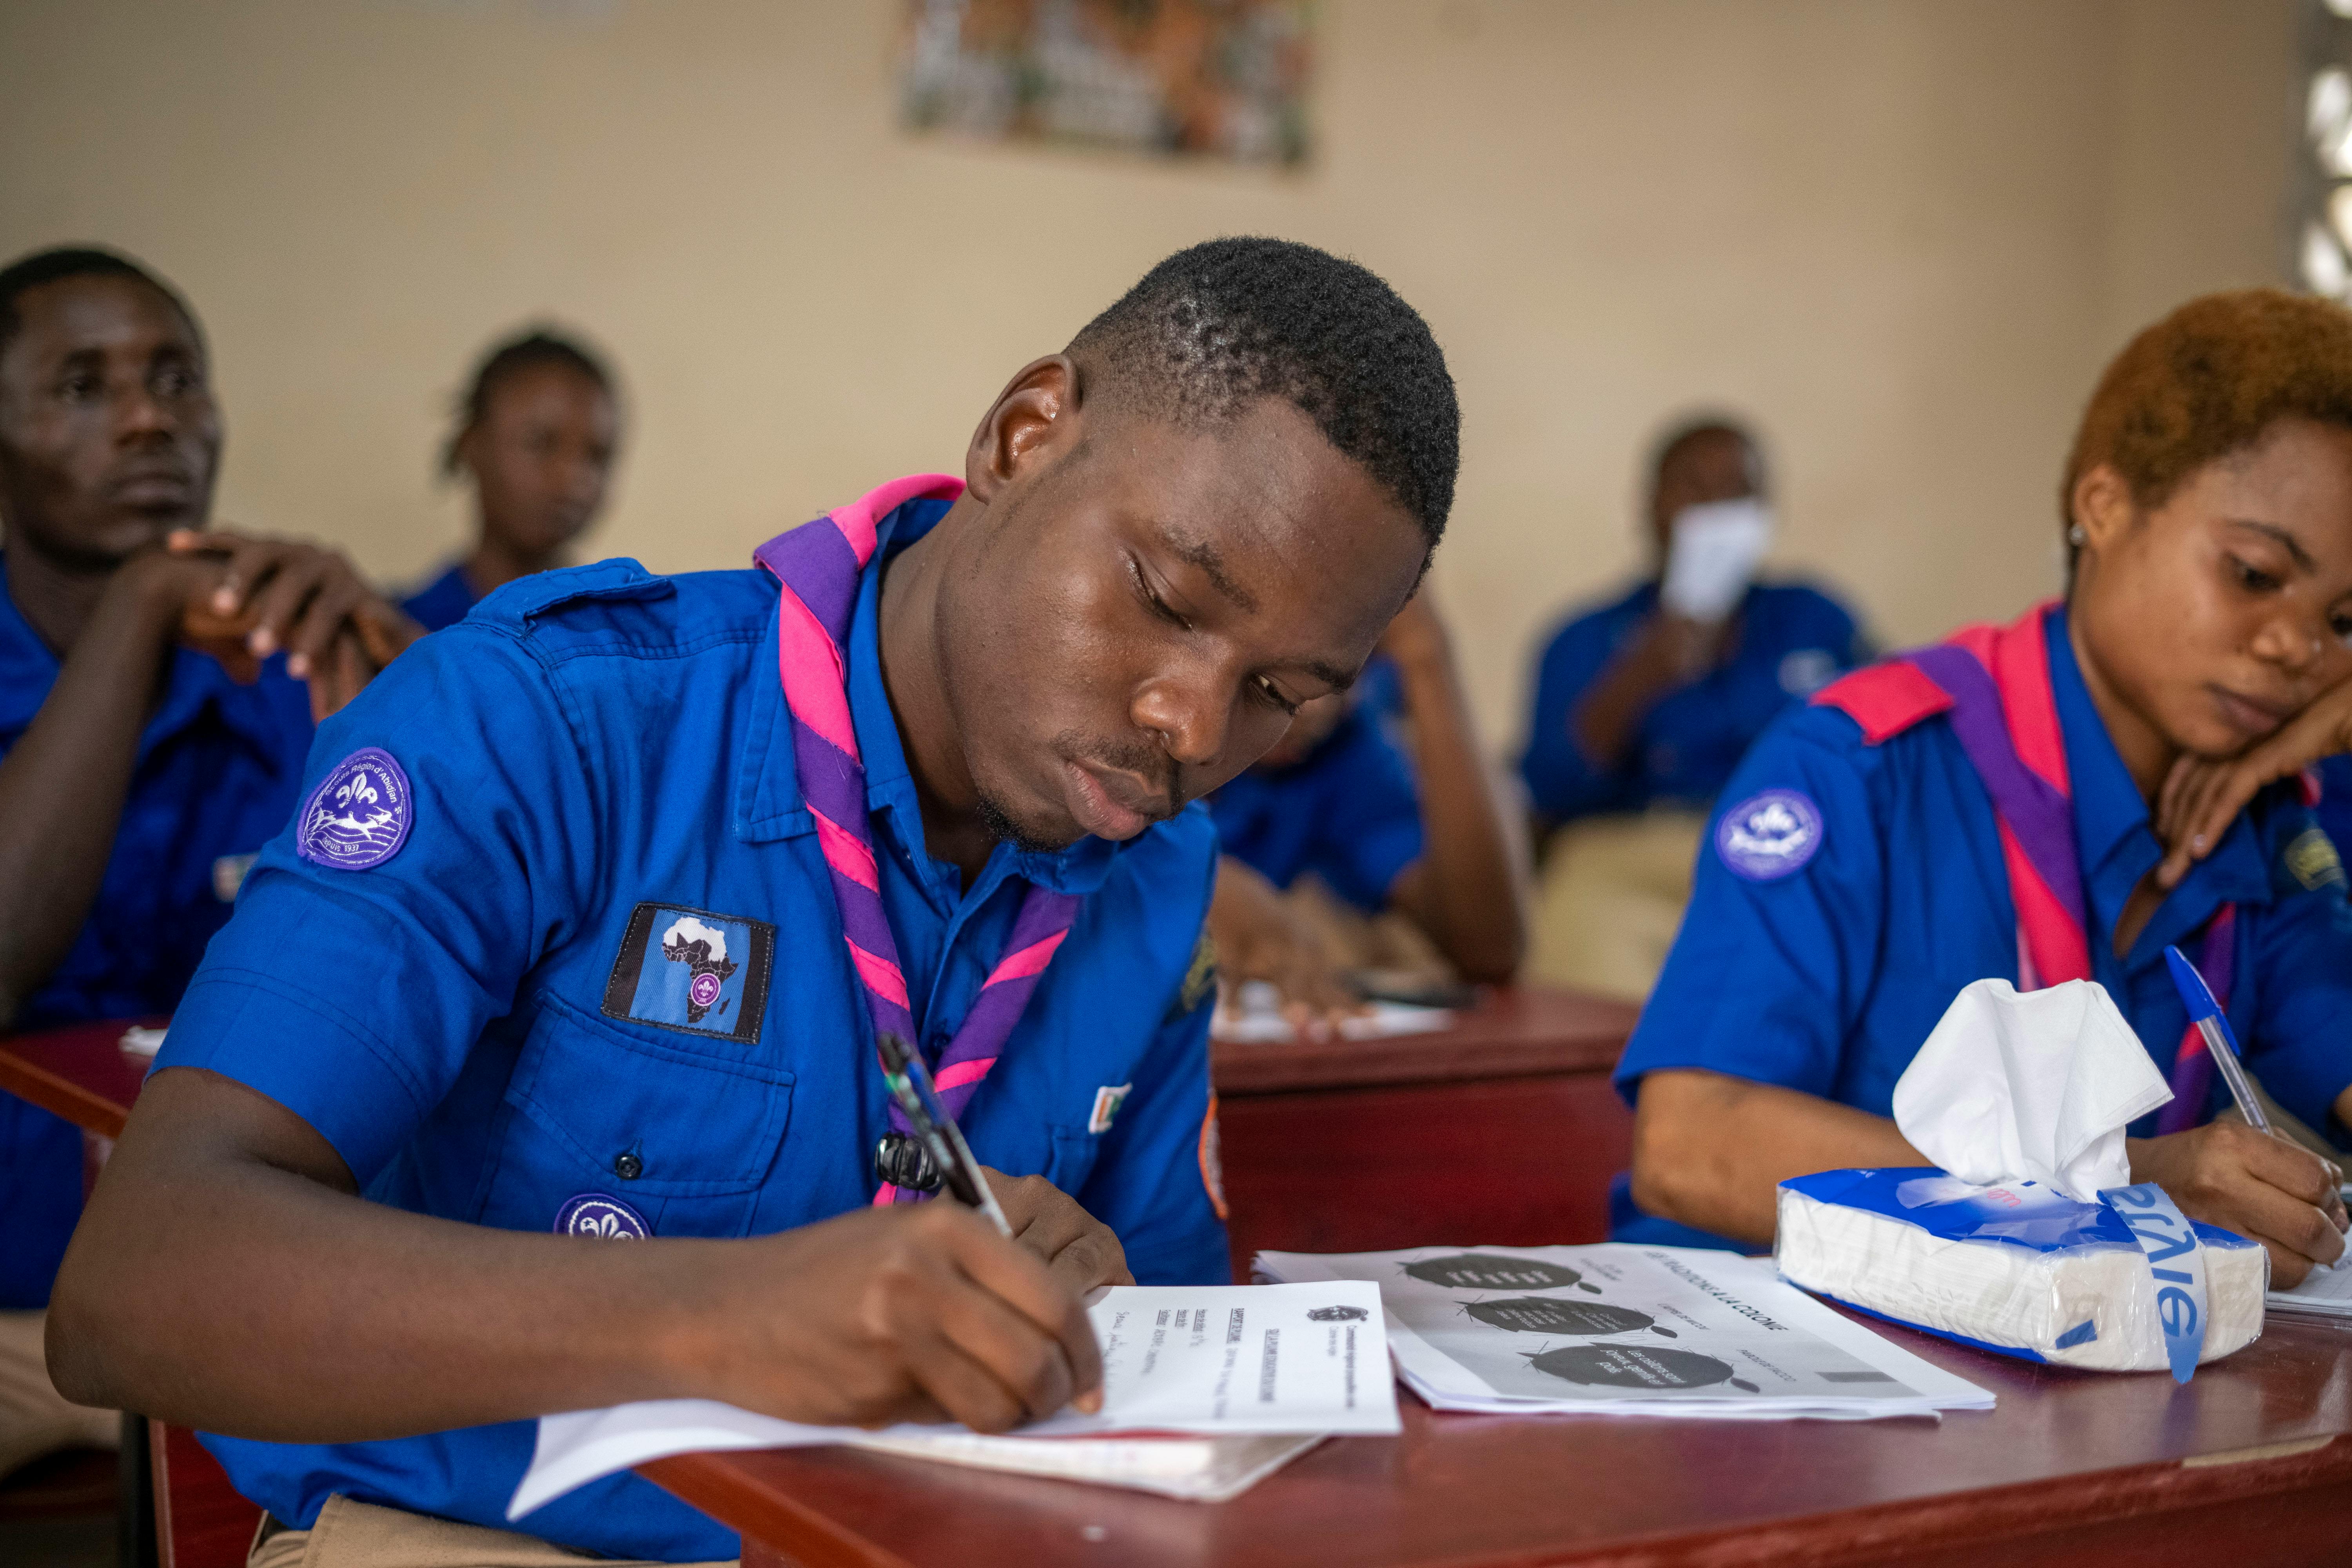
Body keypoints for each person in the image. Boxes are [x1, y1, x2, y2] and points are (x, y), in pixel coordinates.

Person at [47, 238, 1457, 1564]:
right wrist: (729, 1308)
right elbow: (140, 1282)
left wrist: (1080, 1308)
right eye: (1161, 595)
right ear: (1022, 437)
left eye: (1279, 692)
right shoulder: (551, 725)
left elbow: (1161, 1369)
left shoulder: (1157, 873)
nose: (1191, 726)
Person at [1616, 289, 2352, 1289]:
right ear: (2104, 506)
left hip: (2051, 1392)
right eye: (2256, 574)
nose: (2296, 646)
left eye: (2345, 620)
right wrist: (2123, 1191)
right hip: (1767, 1366)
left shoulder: (2268, 823)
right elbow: (1690, 1143)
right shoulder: (1864, 764)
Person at [0, 246, 417, 1475]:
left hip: (236, 1274)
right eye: (82, 387)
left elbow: (445, 967)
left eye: (178, 378)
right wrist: (138, 606)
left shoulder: (281, 664)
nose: (147, 417)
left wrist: (395, 682)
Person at [1518, 417, 1867, 1000]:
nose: (1718, 512)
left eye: (1739, 494)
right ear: (1651, 507)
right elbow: (1549, 791)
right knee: (1581, 937)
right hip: (1631, 859)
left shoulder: (1815, 620)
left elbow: (1873, 755)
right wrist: (1642, 675)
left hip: (1783, 851)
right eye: (1695, 490)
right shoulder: (1583, 638)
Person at [1206, 592, 1527, 1028]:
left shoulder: (1342, 750)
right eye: (1288, 655)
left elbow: (1489, 951)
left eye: (1346, 664)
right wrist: (1192, 878)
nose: (1312, 705)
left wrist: (1426, 657)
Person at [401, 328, 620, 632]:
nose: (572, 477)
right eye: (539, 443)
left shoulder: (627, 641)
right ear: (472, 445)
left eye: (596, 456)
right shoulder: (385, 639)